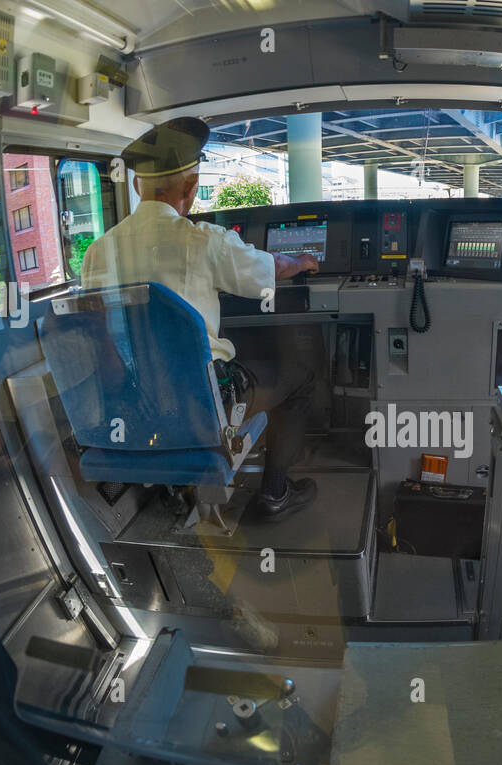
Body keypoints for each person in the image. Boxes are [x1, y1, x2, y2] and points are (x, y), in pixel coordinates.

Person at [80, 117, 322, 522]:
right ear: (191, 189)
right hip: (203, 405)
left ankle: (179, 485)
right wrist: (303, 261)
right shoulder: (204, 241)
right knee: (301, 377)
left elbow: (99, 333)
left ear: (138, 185)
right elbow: (269, 268)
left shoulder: (97, 252)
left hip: (134, 403)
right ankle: (276, 495)